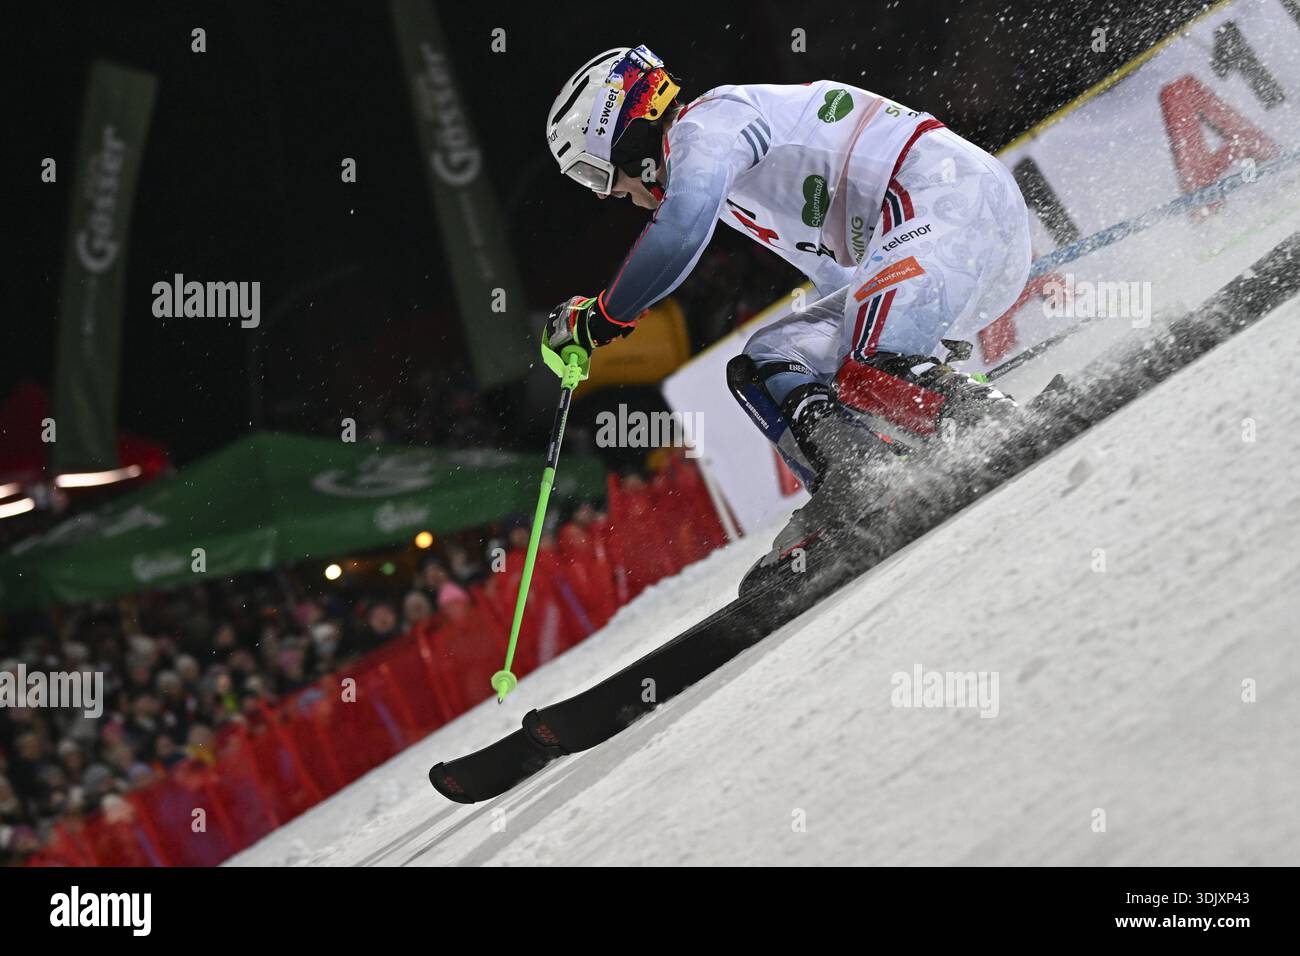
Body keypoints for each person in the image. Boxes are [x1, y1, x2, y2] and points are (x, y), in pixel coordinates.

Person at [544, 46, 1031, 544]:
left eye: (594, 173)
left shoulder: (709, 125)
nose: (604, 194)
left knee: (869, 365)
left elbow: (681, 231)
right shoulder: (731, 182)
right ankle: (862, 484)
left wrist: (600, 318)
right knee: (765, 364)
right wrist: (904, 339)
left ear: (626, 136)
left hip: (953, 203)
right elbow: (841, 275)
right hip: (945, 243)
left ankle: (992, 421)